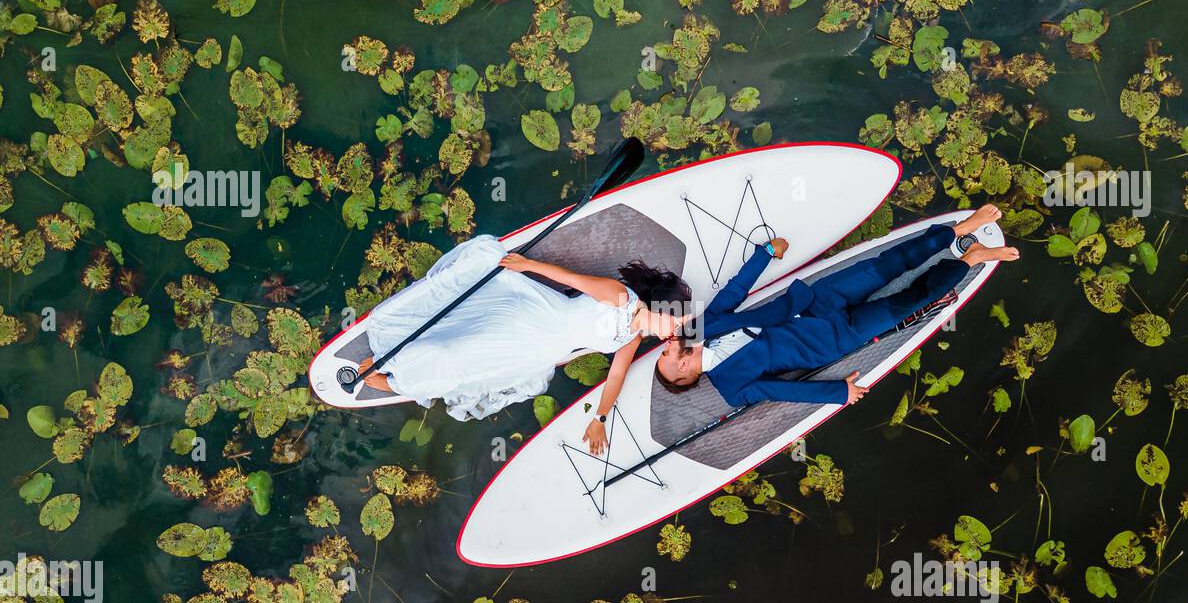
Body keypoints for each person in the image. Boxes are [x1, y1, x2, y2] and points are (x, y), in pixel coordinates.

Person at [655, 205, 1018, 407]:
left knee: (887, 265)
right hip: (832, 339)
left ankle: (958, 230)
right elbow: (785, 391)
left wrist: (765, 254)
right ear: (684, 370)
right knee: (908, 302)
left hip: (814, 300)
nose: (669, 344)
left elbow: (734, 291)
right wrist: (839, 394)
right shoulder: (731, 387)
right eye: (667, 355)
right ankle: (970, 260)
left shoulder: (700, 327)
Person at [357, 234, 690, 451]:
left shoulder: (630, 338)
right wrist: (527, 265)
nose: (673, 333)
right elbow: (573, 280)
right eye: (675, 321)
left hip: (542, 350)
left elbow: (616, 376)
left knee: (469, 367)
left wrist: (600, 418)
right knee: (458, 346)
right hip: (537, 315)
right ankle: (399, 358)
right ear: (662, 307)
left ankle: (399, 380)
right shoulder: (621, 297)